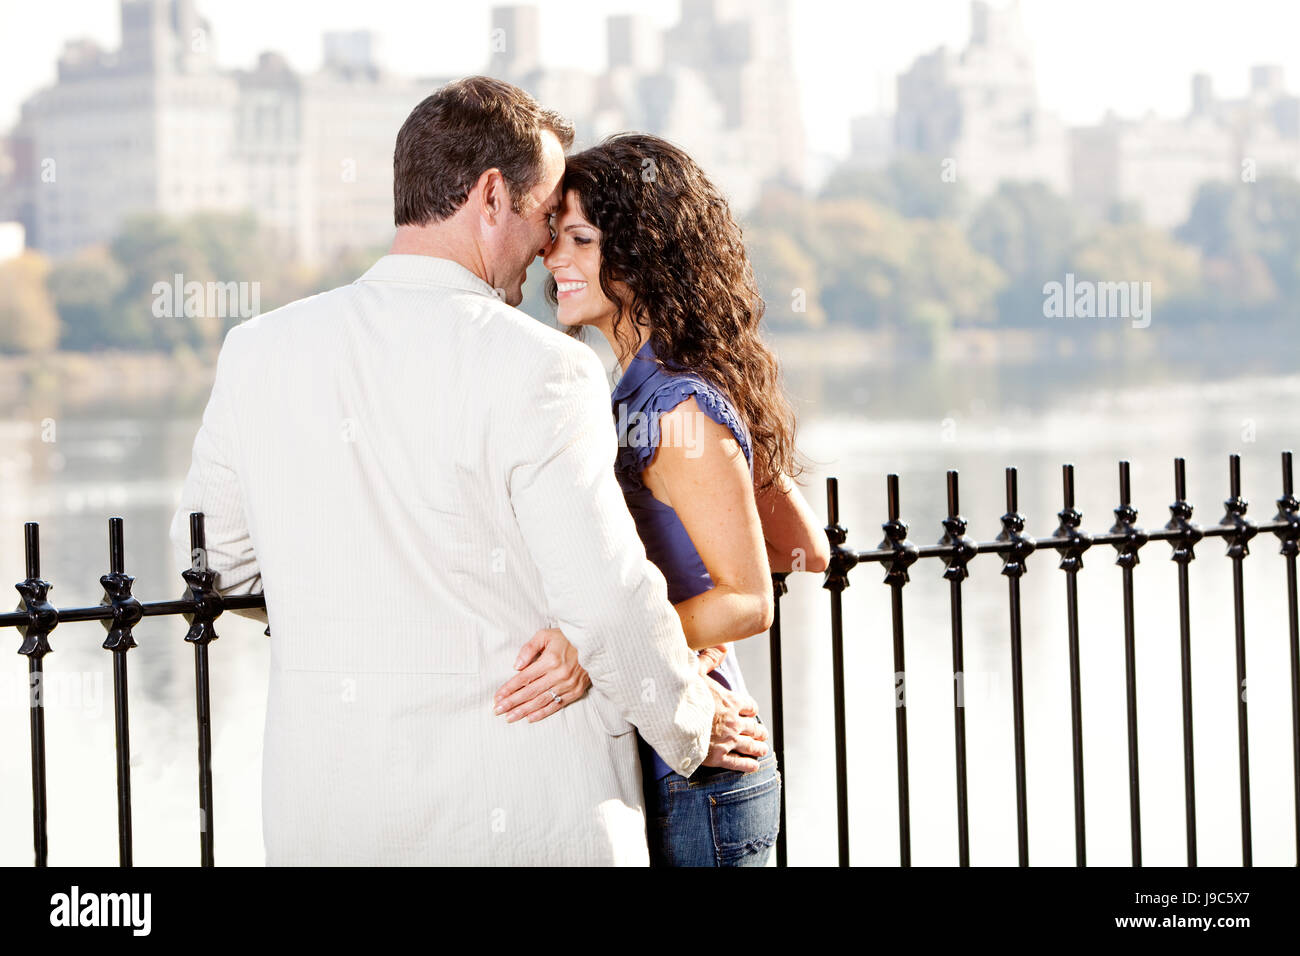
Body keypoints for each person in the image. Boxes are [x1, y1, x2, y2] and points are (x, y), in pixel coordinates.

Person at [168, 77, 769, 866]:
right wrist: (691, 725)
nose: (548, 244)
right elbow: (607, 601)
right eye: (545, 216)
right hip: (521, 822)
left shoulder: (260, 351)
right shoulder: (544, 368)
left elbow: (207, 564)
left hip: (325, 825)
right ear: (492, 197)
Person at [490, 134, 830, 866]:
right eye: (555, 240)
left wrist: (601, 644)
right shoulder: (662, 387)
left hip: (701, 779)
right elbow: (803, 547)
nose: (554, 260)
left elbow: (751, 598)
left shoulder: (677, 408)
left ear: (641, 256)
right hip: (680, 752)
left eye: (580, 240)